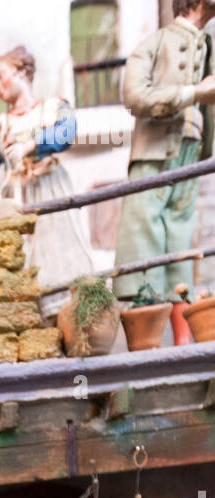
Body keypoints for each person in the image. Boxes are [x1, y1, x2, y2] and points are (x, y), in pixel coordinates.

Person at [0, 45, 94, 311]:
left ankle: (72, 312)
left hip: (49, 187)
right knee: (22, 257)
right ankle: (32, 316)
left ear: (20, 72)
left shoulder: (52, 108)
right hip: (16, 195)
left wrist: (31, 144)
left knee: (59, 250)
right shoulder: (0, 123)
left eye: (0, 75)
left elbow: (65, 135)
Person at [114, 0, 215, 303]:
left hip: (192, 153)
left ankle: (184, 341)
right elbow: (134, 96)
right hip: (155, 154)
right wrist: (194, 92)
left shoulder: (208, 46)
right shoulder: (155, 42)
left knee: (180, 243)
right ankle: (145, 338)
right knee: (144, 236)